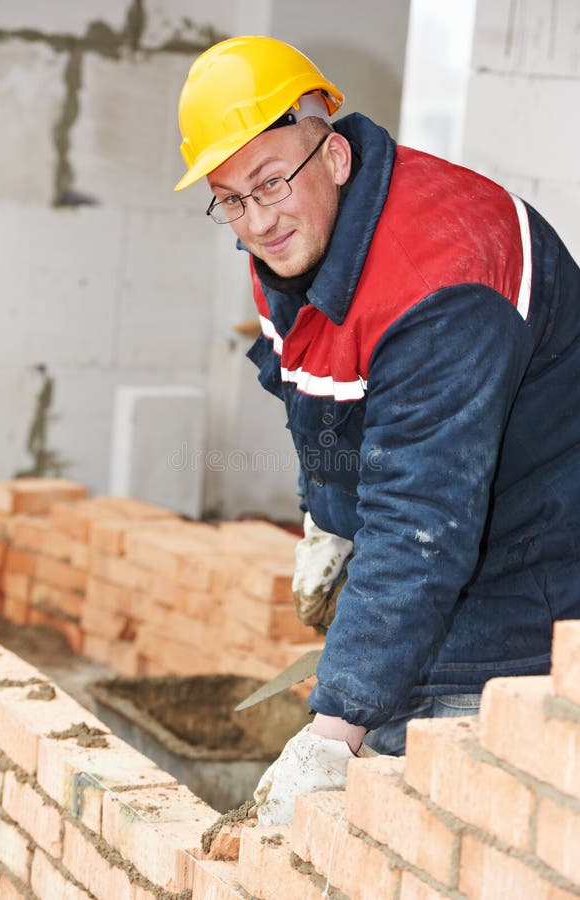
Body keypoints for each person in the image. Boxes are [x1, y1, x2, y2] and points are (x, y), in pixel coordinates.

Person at [174, 35, 580, 825]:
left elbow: (421, 521)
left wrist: (334, 729)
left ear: (333, 152)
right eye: (230, 197)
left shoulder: (442, 279)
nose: (256, 220)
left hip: (529, 575)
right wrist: (323, 523)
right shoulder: (289, 245)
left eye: (269, 182)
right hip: (443, 538)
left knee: (442, 820)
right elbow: (311, 394)